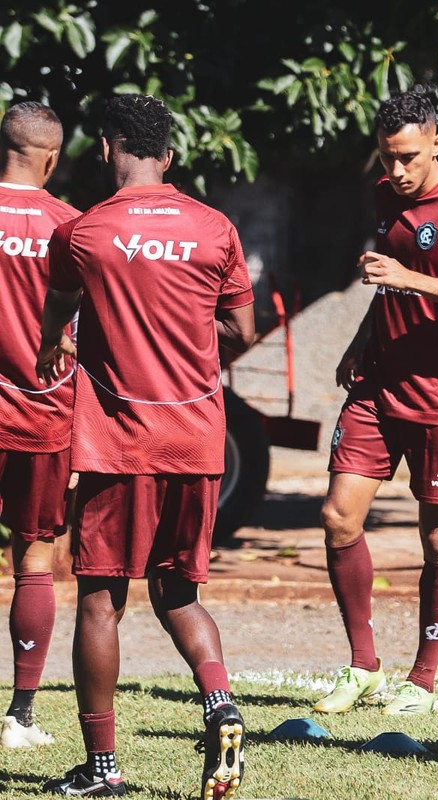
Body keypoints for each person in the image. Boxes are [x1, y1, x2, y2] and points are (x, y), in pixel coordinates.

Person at [36, 94, 254, 800]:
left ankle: (102, 768)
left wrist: (56, 341)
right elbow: (240, 332)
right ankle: (221, 707)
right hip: (196, 440)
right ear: (170, 154)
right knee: (180, 594)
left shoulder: (82, 233)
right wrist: (187, 330)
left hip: (117, 446)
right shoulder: (214, 227)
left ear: (106, 148)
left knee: (101, 600)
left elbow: (60, 309)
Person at [313, 89, 438, 716]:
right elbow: (386, 287)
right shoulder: (384, 195)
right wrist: (358, 341)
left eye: (406, 157)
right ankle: (363, 665)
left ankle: (423, 678)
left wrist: (410, 279)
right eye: (386, 157)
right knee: (339, 517)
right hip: (378, 383)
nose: (396, 171)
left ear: (436, 142)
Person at [0, 101, 79, 749]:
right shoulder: (70, 226)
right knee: (34, 554)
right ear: (50, 157)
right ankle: (19, 717)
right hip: (43, 416)